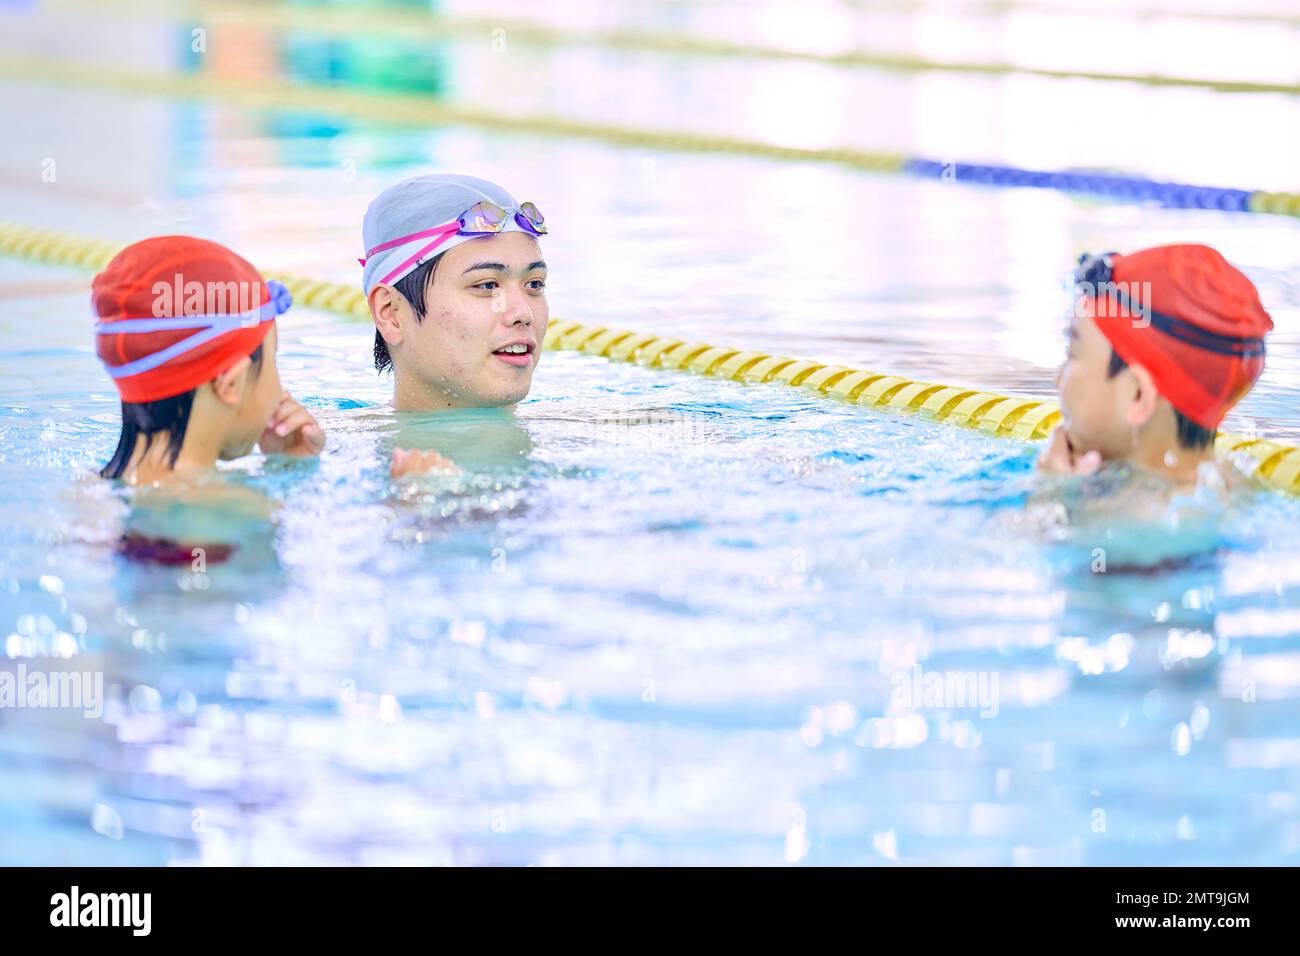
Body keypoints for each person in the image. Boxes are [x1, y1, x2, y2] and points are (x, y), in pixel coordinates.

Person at [93, 235, 324, 486]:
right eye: (274, 360)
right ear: (231, 383)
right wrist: (293, 469)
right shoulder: (228, 507)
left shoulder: (89, 490)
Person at [359, 173, 549, 475]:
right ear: (390, 313)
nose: (522, 312)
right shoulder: (315, 445)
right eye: (487, 285)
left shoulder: (599, 432)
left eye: (535, 284)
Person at [1038, 244, 1273, 488]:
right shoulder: (1235, 488)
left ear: (1137, 395)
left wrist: (1050, 495)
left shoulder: (1112, 516)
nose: (1058, 378)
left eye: (1072, 353)